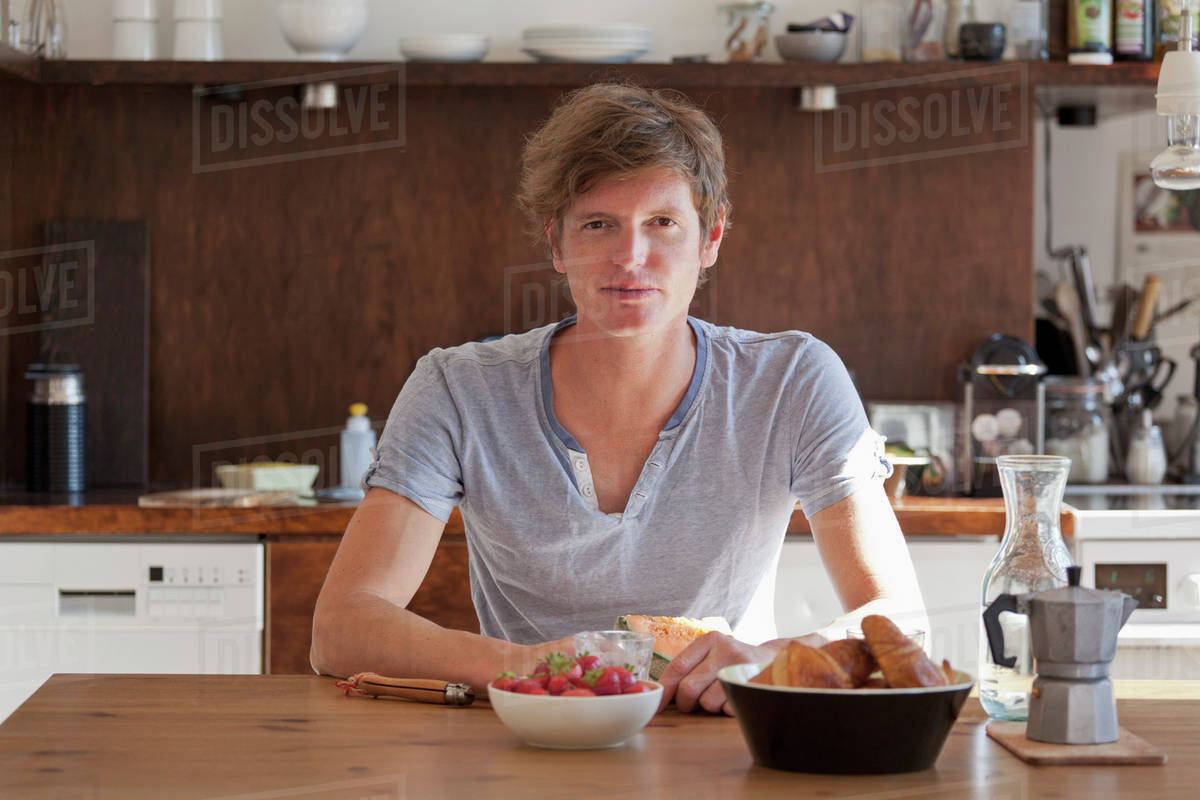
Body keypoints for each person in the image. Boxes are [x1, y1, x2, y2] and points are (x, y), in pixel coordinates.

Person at [310, 82, 928, 715]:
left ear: (710, 237)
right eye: (599, 224)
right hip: (532, 735)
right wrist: (522, 665)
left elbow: (900, 616)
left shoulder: (795, 379)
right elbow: (341, 627)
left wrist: (774, 655)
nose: (630, 257)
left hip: (722, 738)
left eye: (662, 223)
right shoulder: (458, 389)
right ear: (556, 244)